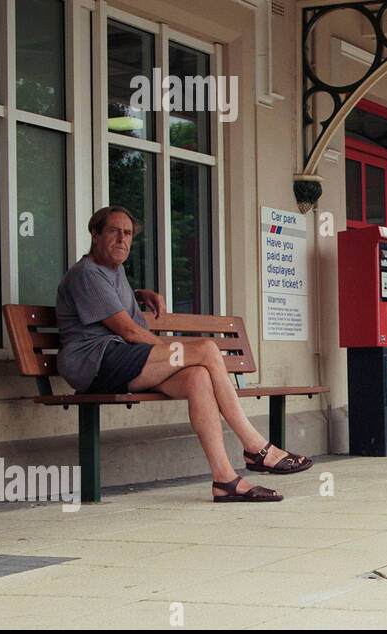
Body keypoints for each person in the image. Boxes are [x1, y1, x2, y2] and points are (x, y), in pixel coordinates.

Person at [55, 206, 312, 502]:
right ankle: (256, 446)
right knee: (205, 349)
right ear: (95, 234)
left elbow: (110, 300)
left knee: (198, 377)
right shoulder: (86, 273)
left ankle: (225, 480)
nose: (121, 239)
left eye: (127, 233)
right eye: (113, 231)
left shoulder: (113, 269)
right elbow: (129, 332)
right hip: (96, 364)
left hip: (121, 362)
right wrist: (171, 351)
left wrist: (139, 294)